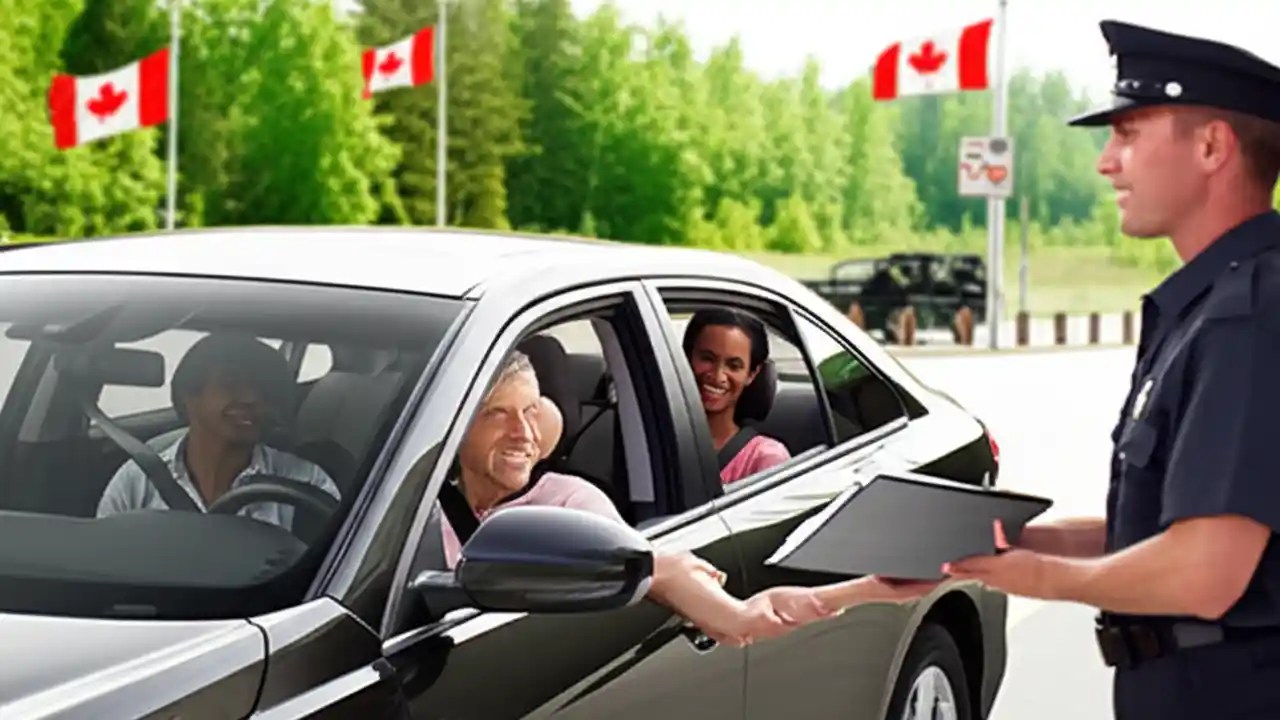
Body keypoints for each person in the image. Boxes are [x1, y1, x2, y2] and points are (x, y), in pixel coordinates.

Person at [916, 20, 1280, 720]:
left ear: (1211, 146)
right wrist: (1006, 539)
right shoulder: (1207, 305)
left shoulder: (1251, 316)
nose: (1106, 162)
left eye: (1129, 133)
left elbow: (1204, 571)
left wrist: (1039, 577)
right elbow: (1156, 531)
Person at [438, 349, 923, 646]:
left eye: (530, 411)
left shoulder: (569, 504)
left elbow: (731, 615)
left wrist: (866, 589)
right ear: (453, 428)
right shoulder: (418, 506)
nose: (523, 432)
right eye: (496, 414)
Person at [97, 333, 340, 532]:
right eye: (230, 383)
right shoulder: (137, 480)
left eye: (263, 388)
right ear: (188, 396)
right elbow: (105, 563)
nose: (251, 398)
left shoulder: (306, 483)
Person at [681, 308, 790, 484]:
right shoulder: (650, 439)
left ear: (752, 374)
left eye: (733, 366)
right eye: (707, 358)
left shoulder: (765, 458)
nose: (717, 376)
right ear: (686, 357)